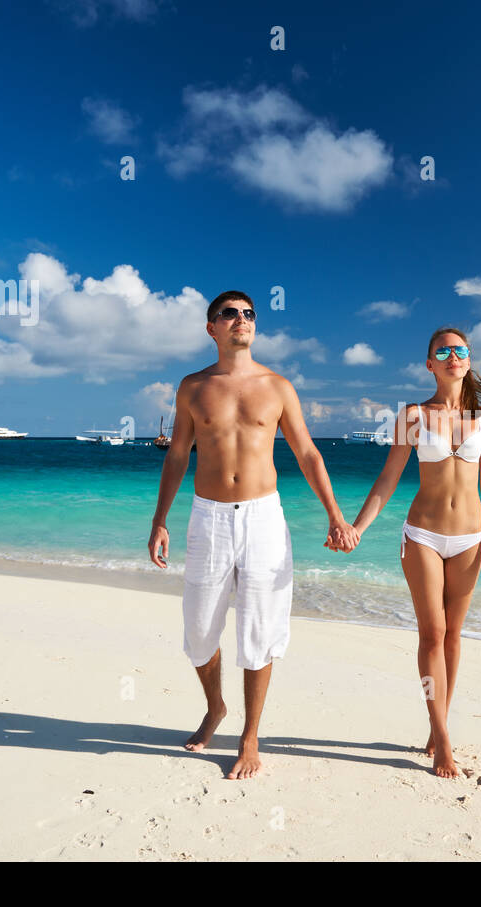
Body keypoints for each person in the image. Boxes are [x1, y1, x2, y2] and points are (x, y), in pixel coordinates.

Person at [148, 290, 359, 779]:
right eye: (230, 314)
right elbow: (178, 454)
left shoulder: (278, 386)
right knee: (199, 632)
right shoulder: (193, 387)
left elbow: (307, 454)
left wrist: (335, 514)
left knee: (260, 631)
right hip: (208, 516)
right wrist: (160, 520)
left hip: (264, 517)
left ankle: (249, 735)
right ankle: (215, 707)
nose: (240, 320)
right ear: (212, 328)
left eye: (248, 314)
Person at [345, 327, 481, 778]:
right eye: (443, 351)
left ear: (468, 360)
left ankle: (439, 724)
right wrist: (357, 527)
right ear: (430, 364)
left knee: (454, 635)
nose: (453, 356)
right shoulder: (414, 415)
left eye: (461, 350)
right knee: (432, 632)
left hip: (471, 539)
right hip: (424, 536)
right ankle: (444, 741)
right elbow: (388, 479)